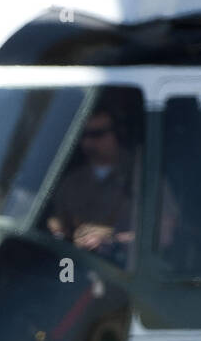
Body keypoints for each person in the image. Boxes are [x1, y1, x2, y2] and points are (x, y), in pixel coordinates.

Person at [46, 106, 138, 263]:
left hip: (126, 272)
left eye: (97, 134)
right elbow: (58, 225)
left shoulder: (141, 175)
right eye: (84, 135)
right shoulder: (71, 182)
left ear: (118, 135)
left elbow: (163, 235)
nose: (89, 142)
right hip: (80, 270)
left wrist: (112, 240)